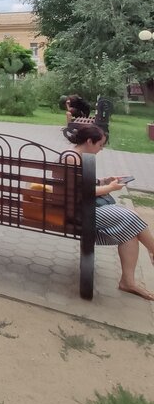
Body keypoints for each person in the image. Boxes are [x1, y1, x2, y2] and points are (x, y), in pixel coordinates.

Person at [62, 122, 154, 301]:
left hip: (83, 209)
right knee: (131, 217)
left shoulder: (76, 156)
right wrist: (110, 188)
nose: (101, 149)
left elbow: (83, 184)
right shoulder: (72, 158)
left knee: (131, 231)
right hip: (79, 214)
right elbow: (79, 192)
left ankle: (128, 282)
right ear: (90, 141)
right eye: (100, 145)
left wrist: (104, 181)